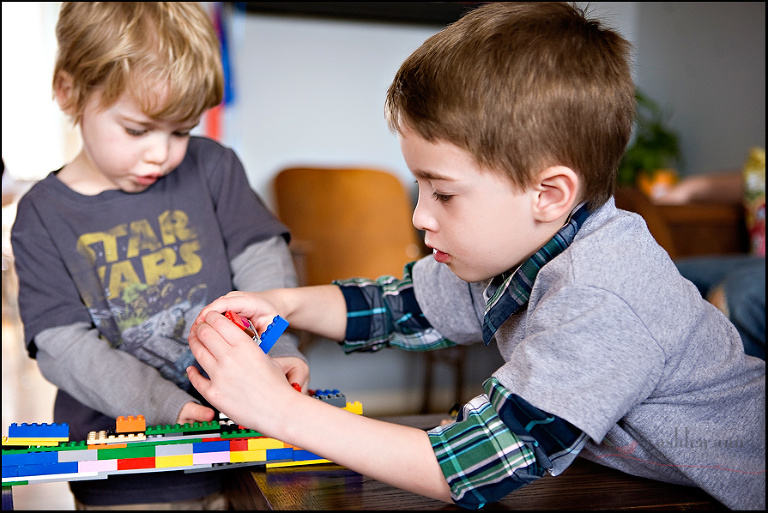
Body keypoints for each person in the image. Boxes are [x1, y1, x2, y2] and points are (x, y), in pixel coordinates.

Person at [186, 3, 765, 511]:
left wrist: (278, 413)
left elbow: (464, 469)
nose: (420, 216)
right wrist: (281, 303)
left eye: (443, 193)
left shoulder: (604, 288)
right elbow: (399, 306)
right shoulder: (517, 246)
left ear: (548, 194)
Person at [10, 3, 308, 509]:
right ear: (68, 91)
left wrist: (276, 355)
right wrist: (161, 404)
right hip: (124, 480)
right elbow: (63, 346)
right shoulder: (41, 215)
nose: (162, 154)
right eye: (136, 130)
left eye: (180, 131)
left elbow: (264, 270)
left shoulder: (213, 167)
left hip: (241, 460)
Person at [654, 165, 765, 360]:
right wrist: (690, 188)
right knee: (661, 273)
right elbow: (755, 181)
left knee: (742, 294)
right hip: (755, 261)